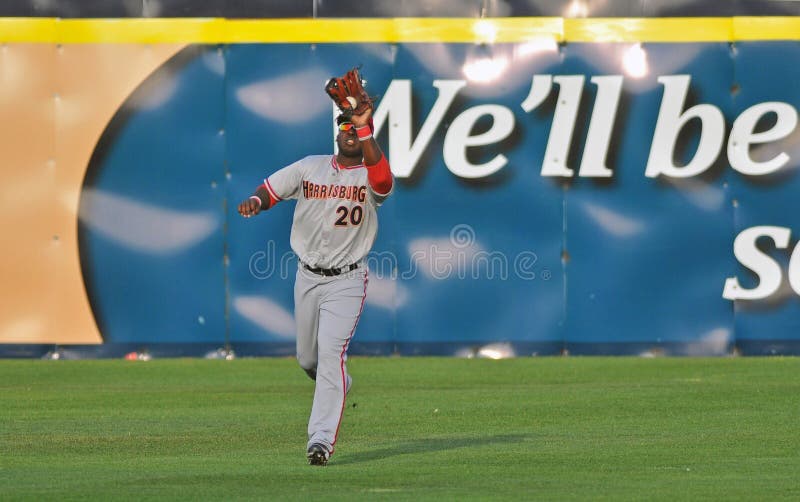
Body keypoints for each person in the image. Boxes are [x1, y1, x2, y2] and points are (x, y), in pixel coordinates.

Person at [237, 104, 393, 466]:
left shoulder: (370, 177)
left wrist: (366, 128)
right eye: (345, 129)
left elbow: (384, 182)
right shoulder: (310, 166)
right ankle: (337, 383)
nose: (349, 134)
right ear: (336, 133)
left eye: (355, 131)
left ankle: (319, 441)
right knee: (308, 358)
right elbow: (271, 188)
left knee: (330, 355)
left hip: (348, 279)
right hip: (307, 276)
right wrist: (256, 202)